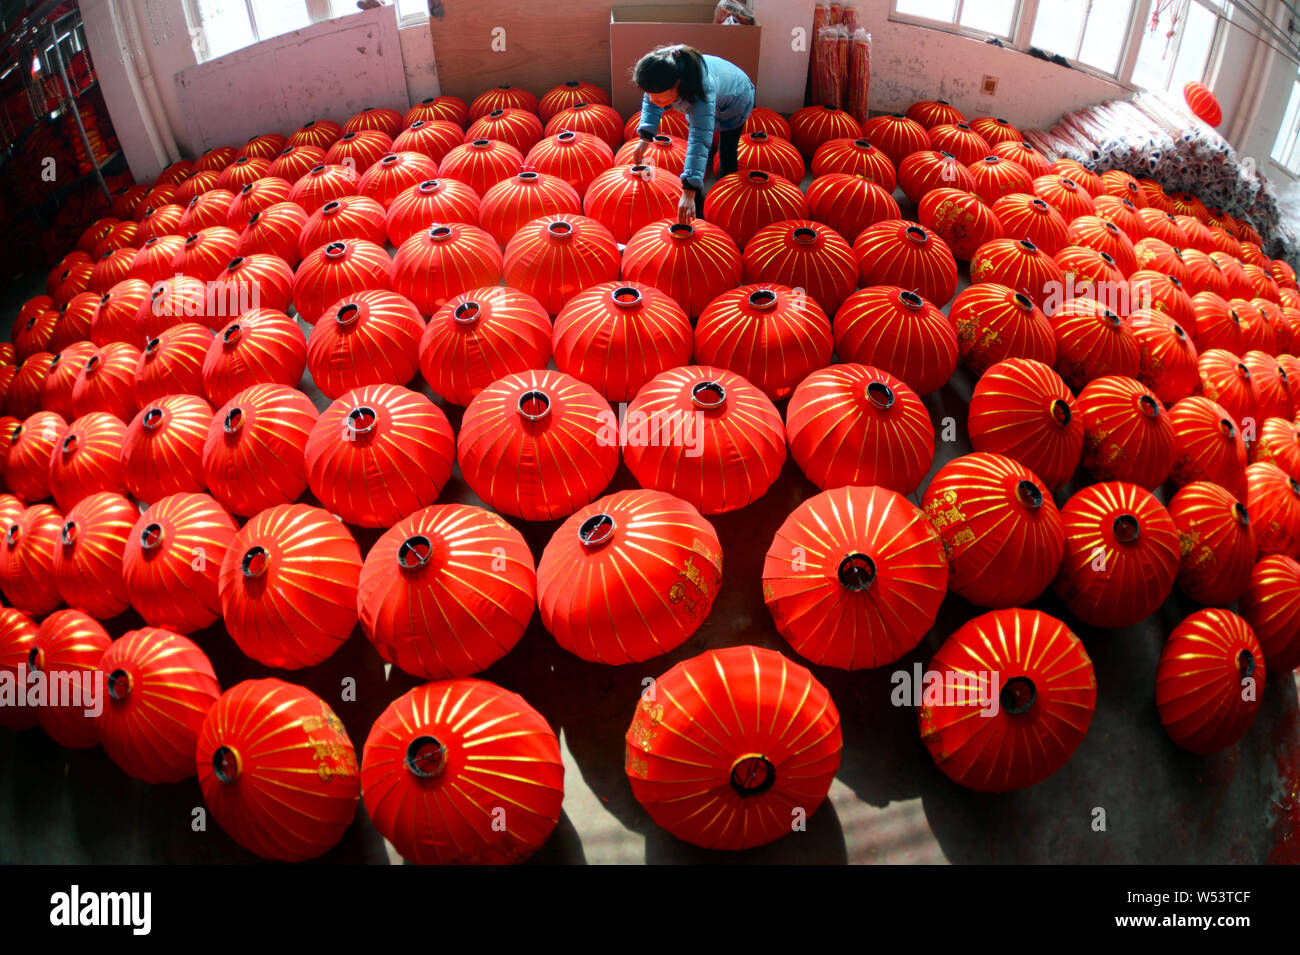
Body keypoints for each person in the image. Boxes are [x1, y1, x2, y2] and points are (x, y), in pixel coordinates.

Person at [630, 44, 755, 226]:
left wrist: (688, 192)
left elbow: (699, 140)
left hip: (736, 99)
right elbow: (651, 103)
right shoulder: (663, 66)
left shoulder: (702, 91)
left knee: (726, 152)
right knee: (700, 155)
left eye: (656, 95)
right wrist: (645, 138)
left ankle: (724, 204)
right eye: (648, 94)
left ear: (677, 85)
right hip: (715, 91)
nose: (651, 99)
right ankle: (696, 202)